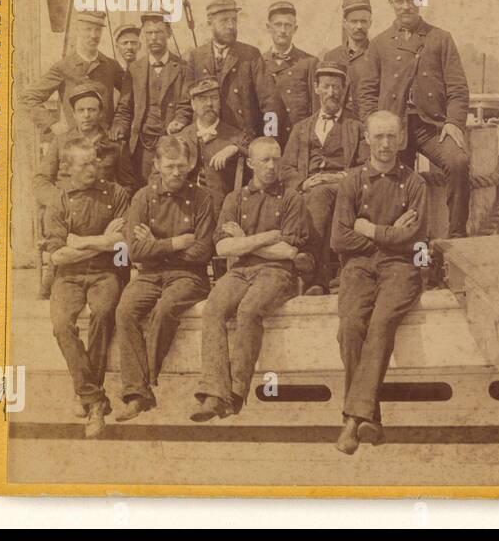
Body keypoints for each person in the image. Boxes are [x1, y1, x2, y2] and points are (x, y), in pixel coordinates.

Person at [330, 110, 426, 455]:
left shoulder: (414, 183)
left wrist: (369, 228)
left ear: (400, 139)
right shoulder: (353, 181)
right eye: (378, 137)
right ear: (367, 140)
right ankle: (370, 418)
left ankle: (352, 422)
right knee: (351, 325)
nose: (385, 144)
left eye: (391, 137)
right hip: (358, 267)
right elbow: (339, 240)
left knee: (382, 322)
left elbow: (413, 241)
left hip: (400, 268)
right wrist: (390, 233)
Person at [191, 137, 306, 421]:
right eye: (264, 160)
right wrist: (267, 237)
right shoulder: (235, 199)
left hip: (277, 273)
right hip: (239, 272)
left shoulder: (292, 198)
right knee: (213, 310)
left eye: (276, 159)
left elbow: (289, 251)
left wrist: (245, 241)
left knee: (249, 310)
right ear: (251, 163)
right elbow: (222, 247)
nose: (271, 166)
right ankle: (214, 393)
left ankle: (236, 392)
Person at [358, 0, 472, 238]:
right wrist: (374, 128)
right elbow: (366, 92)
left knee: (458, 162)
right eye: (400, 1)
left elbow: (458, 89)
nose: (406, 6)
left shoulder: (440, 39)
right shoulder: (379, 44)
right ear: (391, 3)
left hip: (432, 127)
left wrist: (453, 123)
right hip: (395, 129)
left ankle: (456, 236)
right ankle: (399, 243)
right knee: (391, 182)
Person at [112, 135, 216, 421]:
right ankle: (138, 393)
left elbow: (202, 251)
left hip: (188, 277)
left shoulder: (202, 198)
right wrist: (176, 243)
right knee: (125, 310)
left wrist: (155, 245)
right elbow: (135, 251)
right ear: (156, 164)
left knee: (166, 308)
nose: (176, 173)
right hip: (149, 275)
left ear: (190, 164)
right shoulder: (143, 198)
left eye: (181, 166)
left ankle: (142, 388)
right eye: (169, 166)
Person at [41, 137, 131, 438]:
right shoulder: (59, 200)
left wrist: (80, 241)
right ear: (67, 167)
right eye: (84, 163)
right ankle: (94, 398)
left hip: (106, 273)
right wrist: (101, 242)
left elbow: (122, 243)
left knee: (104, 312)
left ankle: (87, 397)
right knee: (61, 325)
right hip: (68, 275)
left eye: (94, 161)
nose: (92, 168)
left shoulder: (116, 194)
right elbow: (57, 255)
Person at [281, 64, 365, 294]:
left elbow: (365, 166)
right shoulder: (301, 128)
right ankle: (319, 282)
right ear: (316, 88)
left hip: (344, 186)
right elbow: (286, 166)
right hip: (308, 188)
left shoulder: (355, 127)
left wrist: (338, 176)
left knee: (321, 194)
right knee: (314, 196)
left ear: (344, 90)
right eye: (326, 87)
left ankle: (309, 259)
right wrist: (303, 182)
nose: (332, 93)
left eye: (337, 87)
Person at [185, 0, 282, 139]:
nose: (231, 26)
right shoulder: (196, 56)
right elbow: (186, 100)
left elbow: (270, 101)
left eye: (234, 20)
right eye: (224, 21)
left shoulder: (250, 55)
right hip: (206, 138)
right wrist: (180, 120)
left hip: (243, 139)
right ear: (210, 23)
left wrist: (270, 137)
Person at [113, 12, 192, 180]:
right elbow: (125, 108)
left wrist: (180, 120)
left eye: (159, 32)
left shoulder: (183, 68)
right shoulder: (134, 69)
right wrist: (118, 126)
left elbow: (186, 106)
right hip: (142, 146)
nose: (154, 37)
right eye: (149, 33)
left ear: (169, 33)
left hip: (171, 141)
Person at [21, 10, 126, 135]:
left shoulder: (111, 65)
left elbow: (130, 96)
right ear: (78, 30)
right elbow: (28, 97)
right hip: (74, 144)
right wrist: (52, 124)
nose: (93, 35)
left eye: (98, 30)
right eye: (88, 29)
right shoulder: (63, 66)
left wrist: (119, 122)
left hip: (106, 143)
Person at [34, 82, 134, 208]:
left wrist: (112, 206)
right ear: (74, 114)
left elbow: (128, 185)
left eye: (91, 110)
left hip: (102, 210)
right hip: (66, 210)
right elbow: (41, 179)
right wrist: (58, 202)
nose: (86, 115)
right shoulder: (60, 142)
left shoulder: (115, 145)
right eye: (81, 110)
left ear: (100, 113)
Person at [177, 77, 252, 217]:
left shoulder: (237, 137)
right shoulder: (182, 137)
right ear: (193, 104)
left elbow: (256, 154)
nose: (209, 103)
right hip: (186, 214)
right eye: (202, 99)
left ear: (220, 103)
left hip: (222, 213)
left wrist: (235, 148)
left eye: (214, 98)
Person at [263, 0, 318, 150]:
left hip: (300, 140)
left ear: (295, 28)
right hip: (270, 140)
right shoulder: (259, 63)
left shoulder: (309, 63)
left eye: (287, 25)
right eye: (278, 25)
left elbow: (316, 108)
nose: (282, 30)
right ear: (269, 28)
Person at [322, 0, 374, 119]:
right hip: (339, 123)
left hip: (366, 122)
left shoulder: (376, 53)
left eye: (363, 21)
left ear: (370, 23)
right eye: (354, 21)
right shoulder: (331, 56)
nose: (359, 26)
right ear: (344, 23)